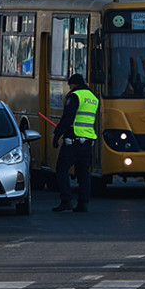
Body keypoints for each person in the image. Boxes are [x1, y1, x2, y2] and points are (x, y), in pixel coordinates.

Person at [51, 72, 99, 212]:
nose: (70, 88)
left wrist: (57, 135)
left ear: (73, 84)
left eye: (70, 85)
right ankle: (83, 203)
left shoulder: (75, 96)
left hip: (73, 140)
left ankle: (66, 200)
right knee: (83, 173)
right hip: (87, 141)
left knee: (61, 169)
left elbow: (68, 118)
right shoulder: (93, 98)